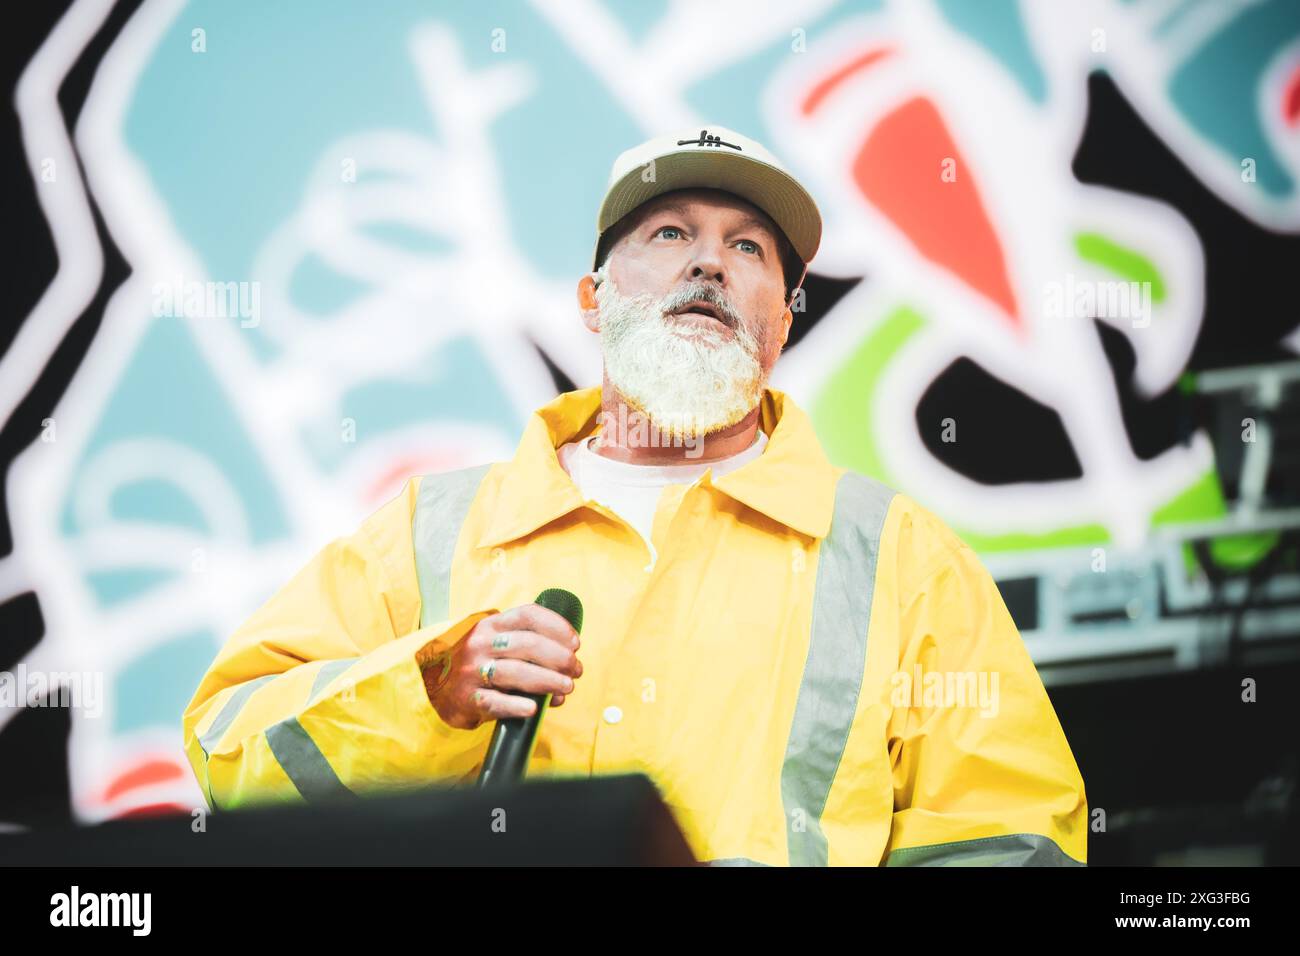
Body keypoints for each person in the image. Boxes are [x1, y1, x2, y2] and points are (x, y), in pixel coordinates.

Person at [182, 125, 1087, 866]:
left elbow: (1009, 839)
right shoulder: (431, 530)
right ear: (592, 298)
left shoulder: (900, 556)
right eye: (670, 234)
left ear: (782, 319)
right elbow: (230, 751)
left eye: (748, 247)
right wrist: (428, 690)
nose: (710, 265)